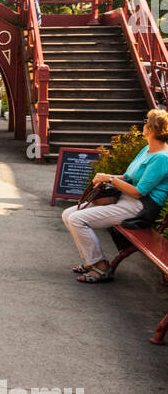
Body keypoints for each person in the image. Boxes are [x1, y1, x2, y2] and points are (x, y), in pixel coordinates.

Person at [61, 109, 168, 281]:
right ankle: (92, 261)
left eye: (146, 122)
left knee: (77, 219)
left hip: (139, 207)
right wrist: (105, 177)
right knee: (68, 214)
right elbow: (127, 177)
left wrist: (109, 179)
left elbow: (139, 192)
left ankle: (101, 266)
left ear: (152, 128)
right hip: (123, 199)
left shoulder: (162, 158)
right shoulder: (147, 149)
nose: (144, 125)